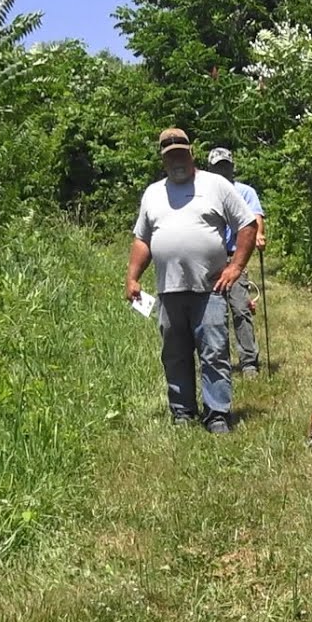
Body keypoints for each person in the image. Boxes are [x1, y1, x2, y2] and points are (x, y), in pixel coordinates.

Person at [125, 128, 259, 433]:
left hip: (209, 288)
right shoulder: (153, 193)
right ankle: (183, 412)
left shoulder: (216, 186)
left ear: (191, 153)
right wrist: (132, 277)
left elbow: (248, 224)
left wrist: (235, 267)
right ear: (163, 160)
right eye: (170, 156)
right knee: (175, 353)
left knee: (213, 351)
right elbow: (142, 239)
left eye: (181, 154)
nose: (177, 161)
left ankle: (217, 415)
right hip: (168, 290)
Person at [206, 147, 267, 378]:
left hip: (234, 257)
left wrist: (259, 235)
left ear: (232, 167)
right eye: (217, 167)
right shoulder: (204, 193)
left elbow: (255, 218)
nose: (222, 171)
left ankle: (249, 361)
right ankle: (217, 360)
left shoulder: (245, 191)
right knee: (214, 313)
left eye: (225, 166)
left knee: (240, 309)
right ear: (210, 170)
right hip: (211, 258)